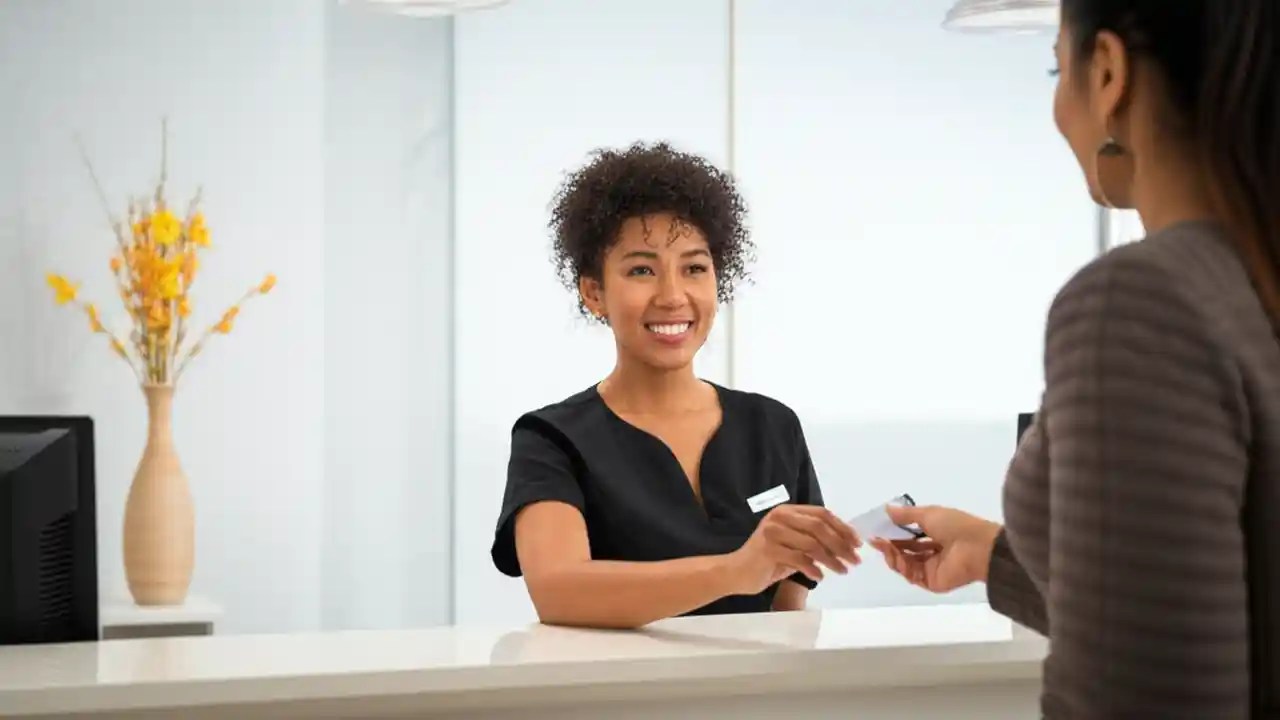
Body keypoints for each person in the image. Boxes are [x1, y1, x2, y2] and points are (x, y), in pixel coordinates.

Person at [869, 1, 1280, 717]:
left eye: (1061, 66)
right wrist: (991, 553)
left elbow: (1152, 698)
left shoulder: (1142, 301)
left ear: (1110, 73)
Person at [490, 142, 861, 629]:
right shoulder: (551, 438)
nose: (672, 295)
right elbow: (559, 591)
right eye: (642, 270)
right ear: (594, 293)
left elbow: (787, 609)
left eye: (694, 268)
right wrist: (734, 571)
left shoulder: (771, 426)